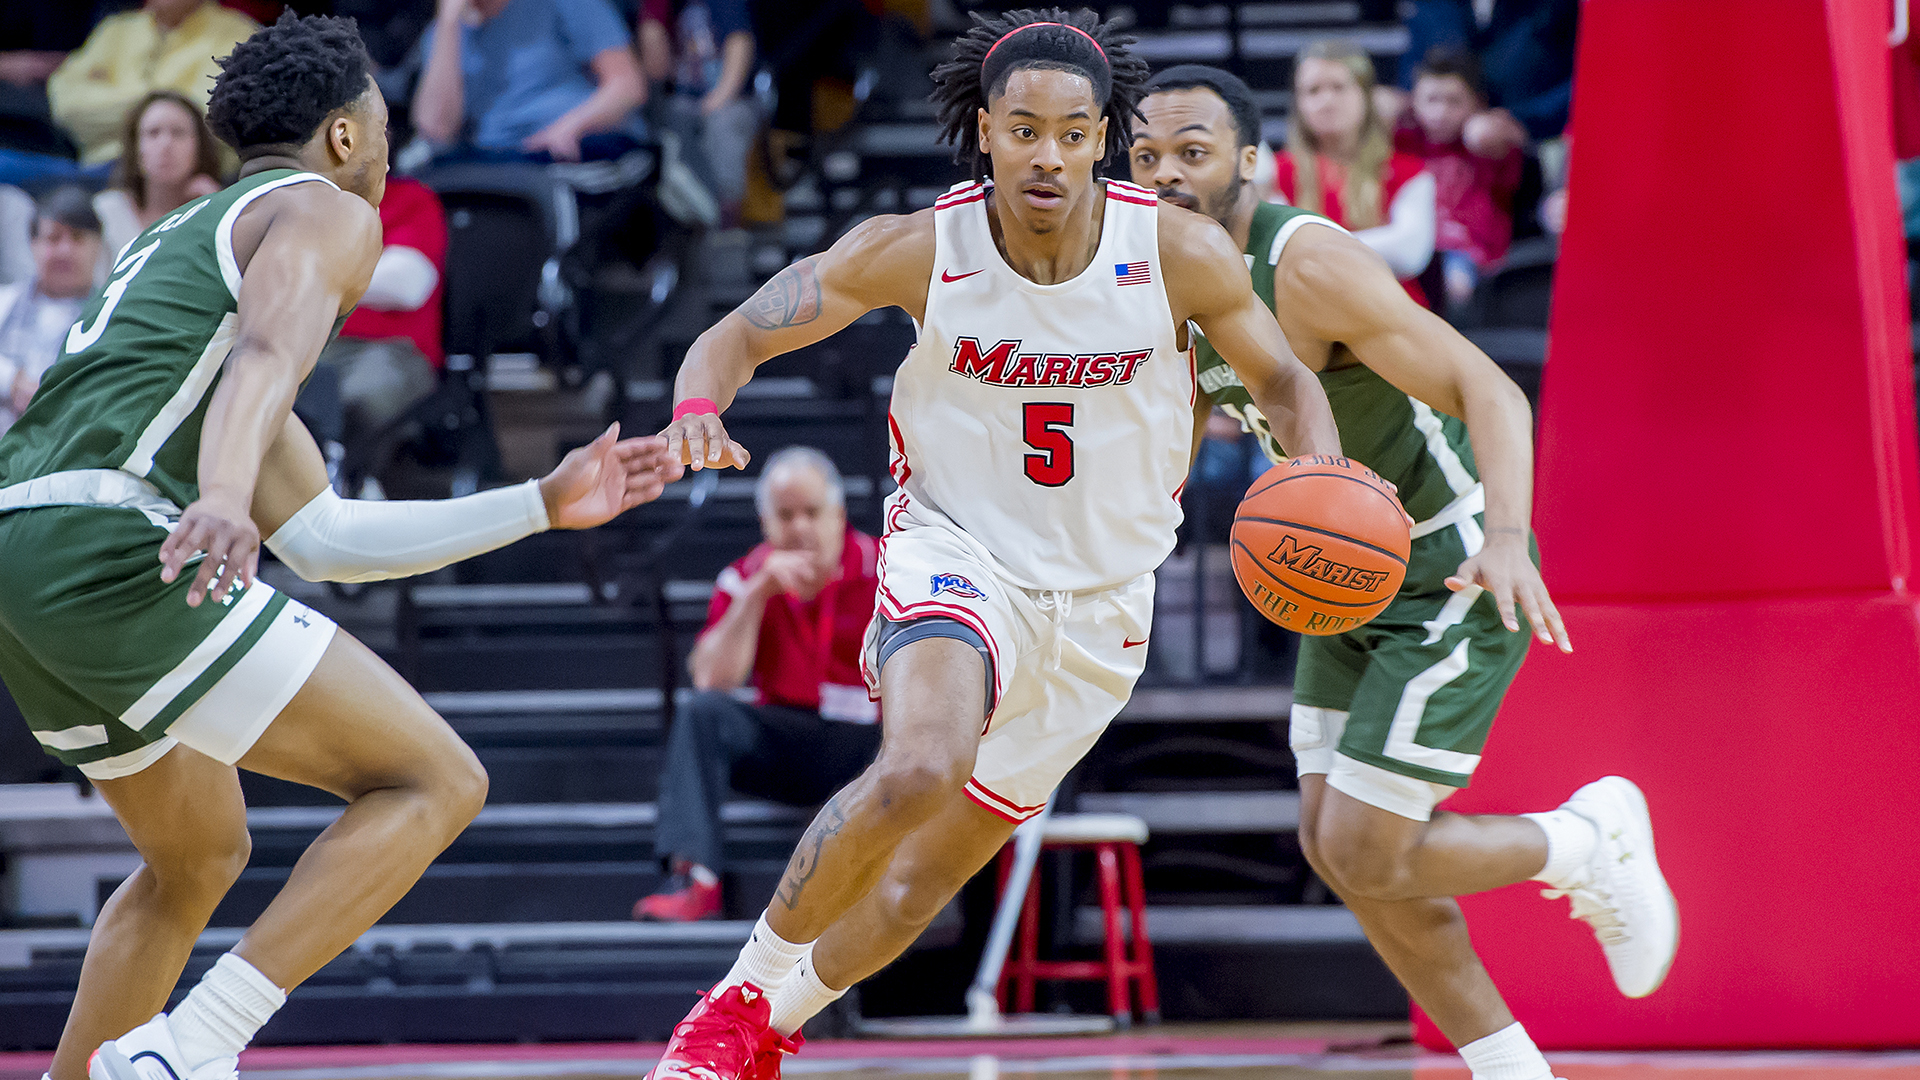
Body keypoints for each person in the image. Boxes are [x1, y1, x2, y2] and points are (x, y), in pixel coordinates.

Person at [647, 10, 1344, 1077]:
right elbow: (737, 330)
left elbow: (1289, 381)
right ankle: (733, 1005)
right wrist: (700, 400)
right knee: (922, 762)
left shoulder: (1177, 253)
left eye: (1072, 132)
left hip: (1106, 607)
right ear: (985, 130)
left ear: (1105, 138)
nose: (1048, 155)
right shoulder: (923, 249)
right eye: (1024, 130)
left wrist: (1321, 474)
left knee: (915, 888)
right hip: (956, 551)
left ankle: (770, 1031)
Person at [0, 16, 682, 1080]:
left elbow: (325, 536)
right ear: (343, 136)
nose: (394, 143)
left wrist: (543, 504)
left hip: (24, 556)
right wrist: (222, 495)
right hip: (111, 541)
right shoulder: (323, 210)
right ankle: (190, 1049)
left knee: (196, 858)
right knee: (434, 781)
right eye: (383, 118)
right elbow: (270, 353)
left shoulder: (184, 245)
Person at [1130, 64, 1678, 1080]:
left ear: (1253, 162)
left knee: (1374, 846)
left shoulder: (1305, 264)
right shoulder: (1164, 275)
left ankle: (1581, 838)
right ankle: (1512, 1070)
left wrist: (1507, 538)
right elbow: (1194, 410)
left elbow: (1489, 387)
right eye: (1146, 155)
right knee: (1338, 851)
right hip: (1341, 577)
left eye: (1191, 153)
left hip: (1446, 567)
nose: (1164, 174)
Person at [637, 447, 884, 923]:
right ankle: (695, 879)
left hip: (866, 742)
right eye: (785, 515)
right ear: (765, 522)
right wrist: (756, 596)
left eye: (812, 513)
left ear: (839, 515)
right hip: (787, 736)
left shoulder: (885, 569)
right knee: (700, 714)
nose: (799, 528)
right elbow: (712, 679)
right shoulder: (746, 575)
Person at [1277, 40, 1436, 307]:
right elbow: (1277, 254)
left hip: (1393, 313)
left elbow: (1409, 253)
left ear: (1365, 94)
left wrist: (1311, 250)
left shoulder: (1410, 172)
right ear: (1298, 103)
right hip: (1308, 313)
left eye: (1339, 88)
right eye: (1313, 91)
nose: (1326, 101)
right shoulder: (1277, 172)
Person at [412, 0, 648, 163]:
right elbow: (436, 130)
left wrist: (570, 127)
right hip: (494, 158)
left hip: (568, 150)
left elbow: (627, 85)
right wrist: (449, 21)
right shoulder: (441, 36)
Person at [47, 0, 259, 168]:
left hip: (184, 177)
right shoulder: (115, 29)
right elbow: (65, 106)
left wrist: (112, 97)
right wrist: (170, 101)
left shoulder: (237, 32)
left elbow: (211, 115)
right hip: (100, 169)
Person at [1395, 48, 1522, 310]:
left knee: (1455, 282)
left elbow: (1494, 136)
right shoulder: (1405, 141)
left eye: (1453, 101)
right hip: (1415, 246)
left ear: (1476, 103)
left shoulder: (1486, 147)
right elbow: (1378, 105)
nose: (1440, 113)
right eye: (1431, 100)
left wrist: (1484, 128)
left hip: (1466, 253)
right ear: (1413, 102)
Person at [0, 187, 103, 438]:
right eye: (53, 238)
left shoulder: (113, 316)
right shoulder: (4, 302)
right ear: (32, 244)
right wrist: (12, 382)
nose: (64, 251)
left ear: (98, 246)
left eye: (77, 238)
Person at [639, 0, 758, 217]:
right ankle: (689, 214)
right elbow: (656, 70)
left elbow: (739, 41)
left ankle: (729, 215)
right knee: (664, 120)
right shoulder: (670, 7)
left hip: (733, 98)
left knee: (723, 122)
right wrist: (653, 19)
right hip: (684, 99)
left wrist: (719, 97)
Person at [95, 91, 227, 262]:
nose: (166, 144)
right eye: (153, 133)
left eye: (178, 133)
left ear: (200, 146)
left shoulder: (222, 210)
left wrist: (216, 210)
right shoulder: (106, 213)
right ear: (135, 148)